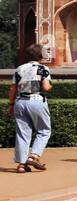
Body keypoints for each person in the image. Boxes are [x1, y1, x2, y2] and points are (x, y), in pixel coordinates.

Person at [10, 44, 53, 173]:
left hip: (20, 102)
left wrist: (11, 105)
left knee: (23, 134)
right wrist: (51, 86)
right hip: (36, 101)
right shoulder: (42, 68)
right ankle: (33, 156)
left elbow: (13, 88)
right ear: (41, 56)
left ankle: (22, 165)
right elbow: (45, 88)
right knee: (44, 130)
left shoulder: (19, 69)